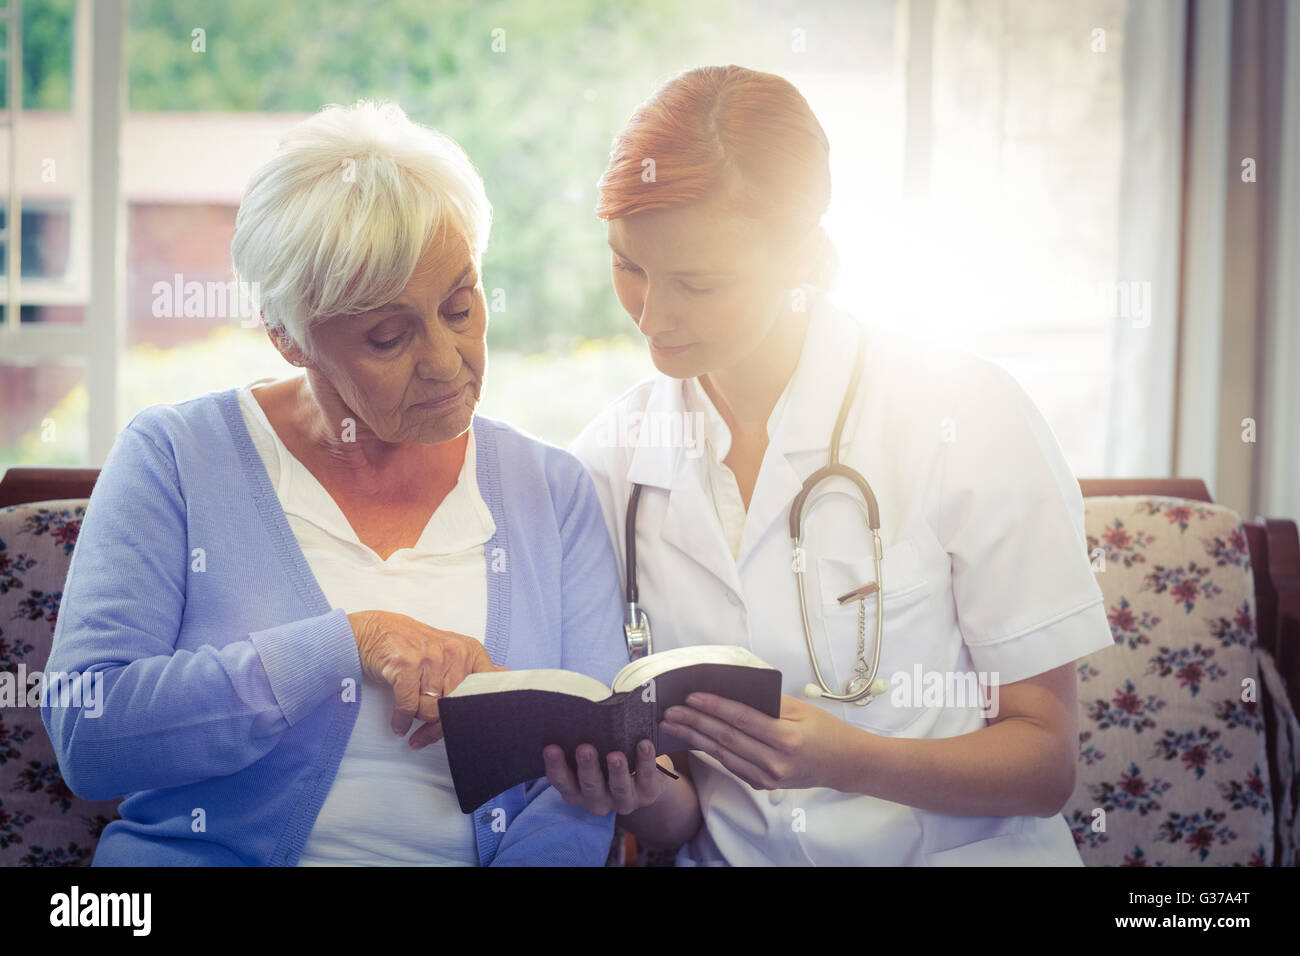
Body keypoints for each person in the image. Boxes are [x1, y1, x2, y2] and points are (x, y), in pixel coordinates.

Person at [41, 100, 629, 866]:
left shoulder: (552, 491)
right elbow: (91, 737)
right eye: (387, 336)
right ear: (289, 338)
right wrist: (347, 642)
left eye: (461, 306)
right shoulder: (176, 458)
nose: (447, 361)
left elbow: (579, 793)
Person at [565, 65, 1116, 865]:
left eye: (698, 282)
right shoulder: (609, 464)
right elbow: (684, 817)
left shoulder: (967, 414)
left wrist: (845, 756)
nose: (653, 316)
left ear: (800, 257)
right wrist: (638, 790)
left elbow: (1044, 765)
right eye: (628, 266)